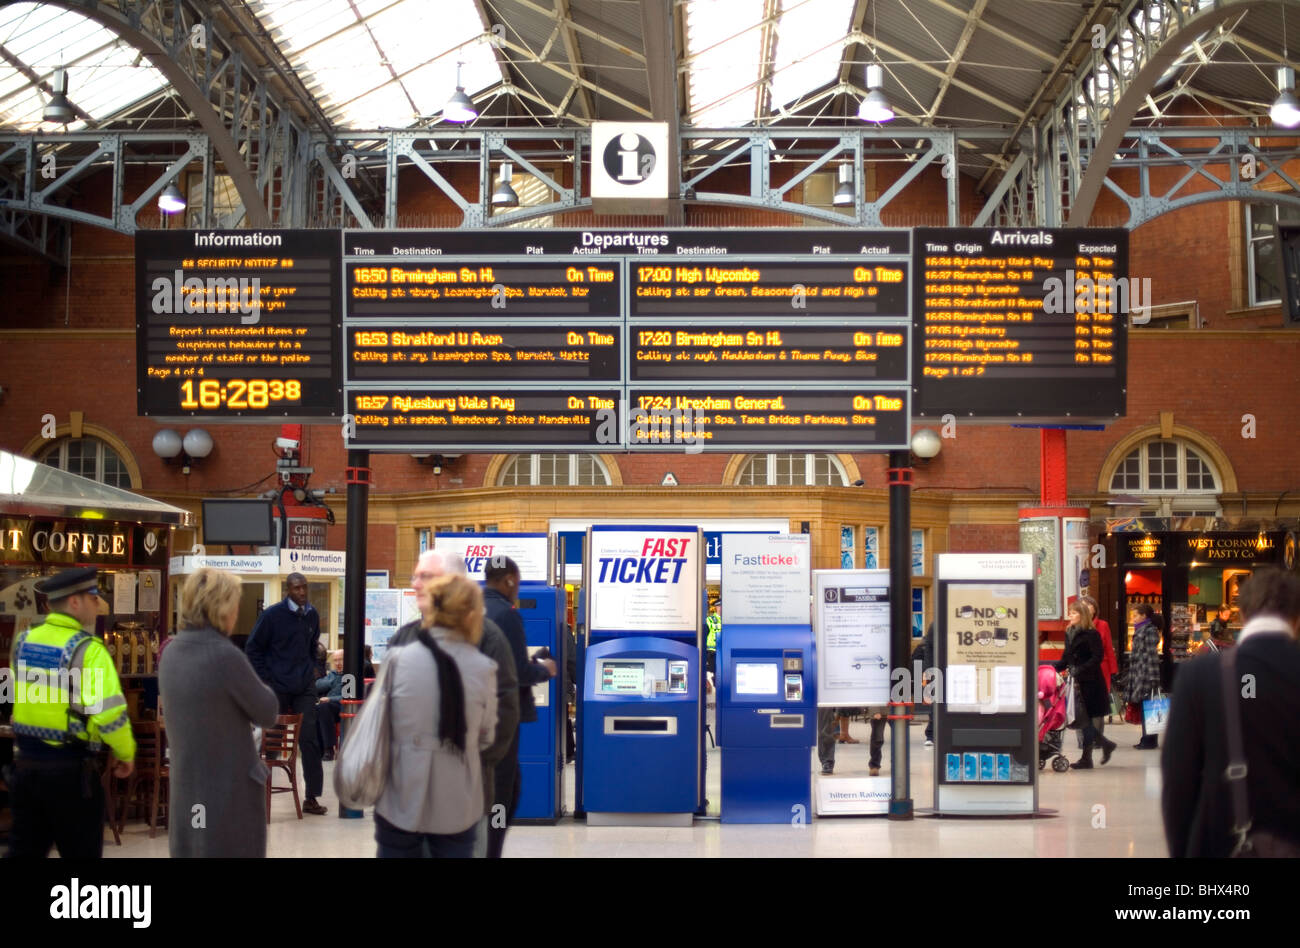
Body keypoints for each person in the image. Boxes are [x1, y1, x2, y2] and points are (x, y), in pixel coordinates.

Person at [389, 549, 518, 859]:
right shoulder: (404, 638)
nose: (417, 584)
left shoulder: (487, 638)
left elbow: (504, 713)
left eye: (427, 577)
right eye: (415, 576)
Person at [1162, 567, 1300, 857]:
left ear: (1243, 614)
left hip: (1222, 840)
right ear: (1296, 618)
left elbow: (1179, 781)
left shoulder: (1199, 675)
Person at [5, 568, 135, 858]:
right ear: (75, 602)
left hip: (25, 770)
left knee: (23, 851)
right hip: (71, 775)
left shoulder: (24, 643)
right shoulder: (89, 651)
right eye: (92, 597)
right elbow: (110, 714)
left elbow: (18, 698)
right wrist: (125, 754)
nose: (96, 604)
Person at [374, 572, 497, 858]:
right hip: (456, 797)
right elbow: (487, 735)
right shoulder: (483, 668)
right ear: (470, 615)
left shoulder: (397, 660)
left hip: (400, 793)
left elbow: (378, 723)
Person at [159, 568, 280, 857]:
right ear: (223, 607)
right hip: (227, 795)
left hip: (188, 790)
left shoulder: (171, 653)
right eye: (236, 603)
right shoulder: (224, 655)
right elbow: (267, 711)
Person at [483, 556, 556, 858]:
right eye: (518, 580)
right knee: (503, 795)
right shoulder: (507, 614)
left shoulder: (472, 610)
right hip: (502, 718)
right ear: (510, 579)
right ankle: (491, 849)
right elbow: (517, 673)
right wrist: (544, 669)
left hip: (474, 714)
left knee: (492, 789)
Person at [245, 572, 327, 815]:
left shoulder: (311, 614)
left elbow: (314, 646)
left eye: (304, 588)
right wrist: (266, 680)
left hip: (304, 686)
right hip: (277, 686)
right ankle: (261, 794)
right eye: (296, 588)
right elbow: (253, 648)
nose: (301, 592)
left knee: (310, 739)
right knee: (272, 742)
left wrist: (315, 671)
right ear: (287, 590)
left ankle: (312, 797)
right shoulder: (272, 616)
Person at [1054, 600, 1116, 768]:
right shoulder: (1069, 632)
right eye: (1070, 612)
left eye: (1074, 613)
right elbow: (1066, 656)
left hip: (1091, 681)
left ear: (1082, 615)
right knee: (1082, 720)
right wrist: (1053, 668)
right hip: (1077, 681)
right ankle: (1100, 748)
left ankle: (1088, 757)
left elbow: (1097, 657)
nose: (1070, 615)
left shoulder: (1092, 634)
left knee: (1085, 719)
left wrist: (1079, 669)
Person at [1126, 603, 1163, 750]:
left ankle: (1149, 740)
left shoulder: (1148, 631)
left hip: (1146, 675)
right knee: (1144, 706)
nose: (1133, 619)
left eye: (1135, 615)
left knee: (1149, 707)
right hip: (1139, 673)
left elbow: (1151, 655)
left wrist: (1153, 679)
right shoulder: (1142, 630)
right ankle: (1146, 738)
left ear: (1144, 616)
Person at [317, 650, 344, 761]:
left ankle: (328, 749)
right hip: (329, 707)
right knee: (315, 709)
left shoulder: (350, 675)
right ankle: (318, 749)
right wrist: (331, 681)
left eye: (340, 660)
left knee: (324, 707)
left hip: (342, 707)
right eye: (335, 661)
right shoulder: (333, 674)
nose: (338, 663)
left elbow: (347, 697)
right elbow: (317, 685)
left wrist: (329, 698)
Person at [705, 601, 721, 682]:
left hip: (724, 652)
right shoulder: (710, 620)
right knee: (715, 674)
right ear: (716, 607)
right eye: (719, 606)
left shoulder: (727, 620)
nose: (721, 608)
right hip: (712, 653)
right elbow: (704, 635)